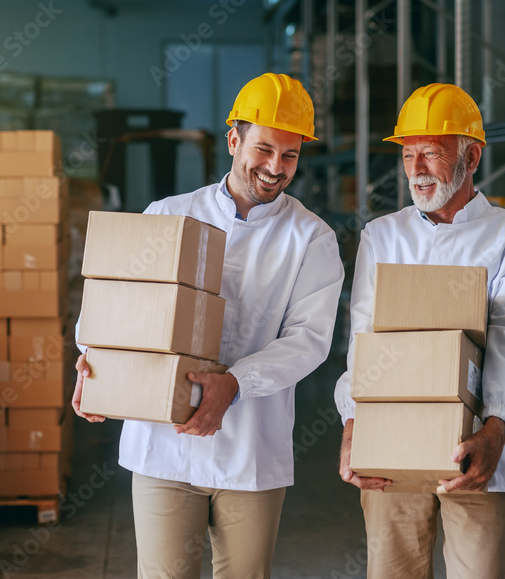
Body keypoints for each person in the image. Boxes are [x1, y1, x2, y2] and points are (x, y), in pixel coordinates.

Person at [73, 72, 345, 579]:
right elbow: (117, 301)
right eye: (264, 149)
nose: (275, 168)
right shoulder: (169, 215)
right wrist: (95, 362)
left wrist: (235, 383)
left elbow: (309, 341)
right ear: (234, 139)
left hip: (251, 451)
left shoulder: (311, 239)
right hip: (162, 448)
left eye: (290, 155)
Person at [333, 83, 505, 578]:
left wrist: (495, 429)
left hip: (479, 451)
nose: (416, 169)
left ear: (471, 156)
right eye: (409, 155)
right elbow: (364, 343)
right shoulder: (382, 236)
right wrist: (353, 424)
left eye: (431, 154)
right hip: (392, 445)